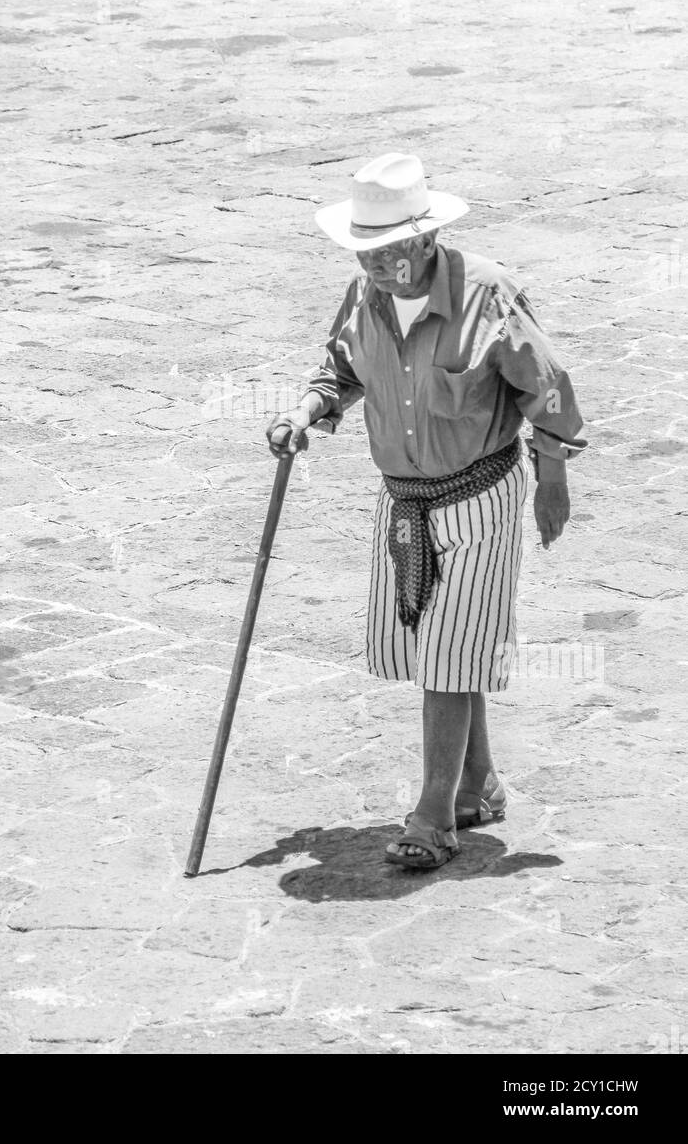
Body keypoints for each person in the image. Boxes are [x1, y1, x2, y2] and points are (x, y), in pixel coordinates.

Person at [266, 153, 587, 871]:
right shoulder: (363, 299)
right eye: (365, 253)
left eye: (387, 253)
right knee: (444, 648)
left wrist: (554, 477)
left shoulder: (489, 294)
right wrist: (304, 412)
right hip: (405, 503)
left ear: (423, 240)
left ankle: (434, 816)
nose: (378, 266)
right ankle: (477, 784)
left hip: (480, 496)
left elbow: (548, 385)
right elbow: (341, 373)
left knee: (448, 657)